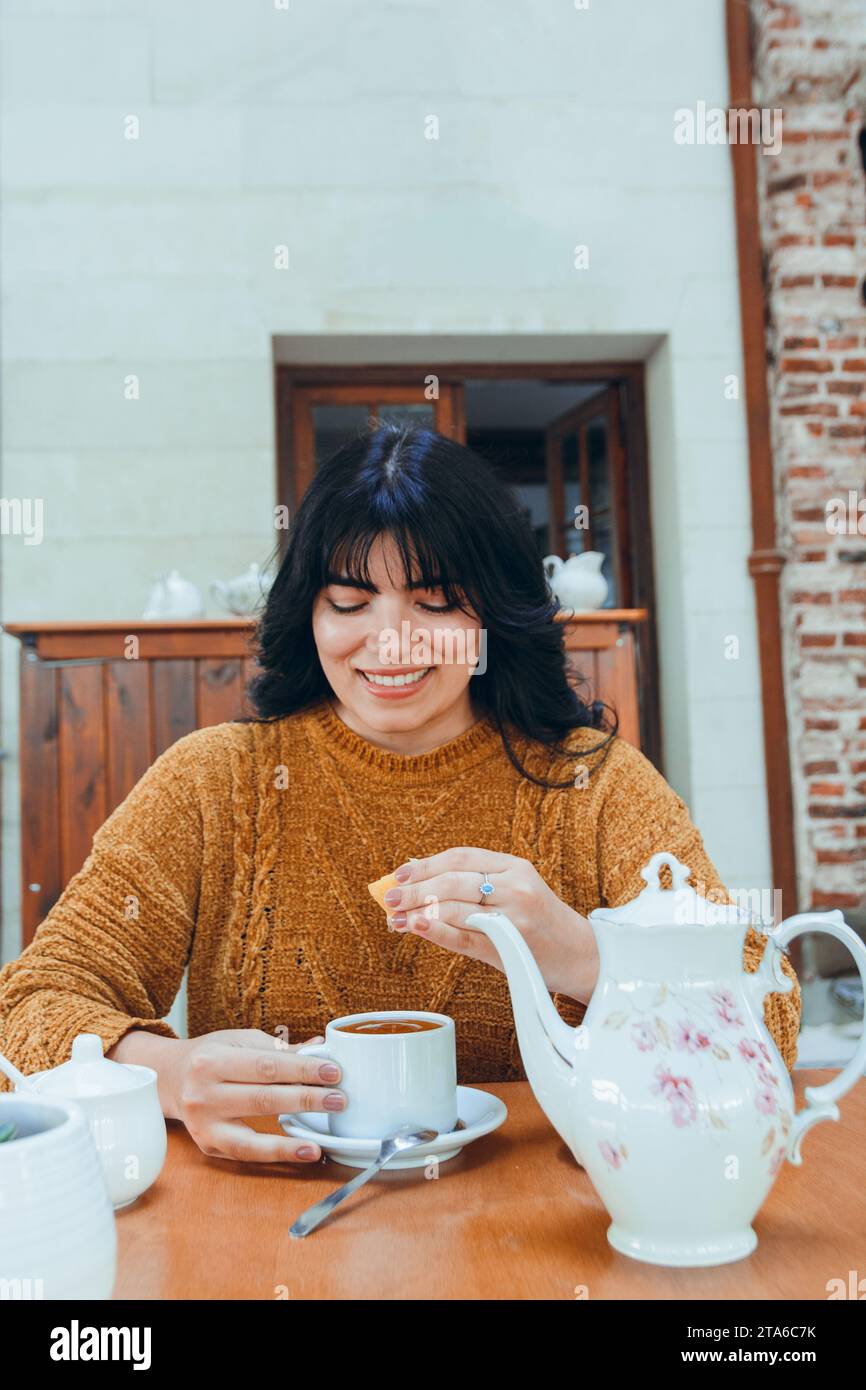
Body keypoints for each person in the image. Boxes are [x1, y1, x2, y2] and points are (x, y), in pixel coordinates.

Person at [0, 425, 801, 1165]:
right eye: (350, 603)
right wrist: (169, 1071)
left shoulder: (592, 783)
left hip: (538, 1218)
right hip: (275, 1224)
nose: (391, 641)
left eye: (436, 602)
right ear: (308, 613)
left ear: (494, 612)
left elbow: (773, 1015)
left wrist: (580, 955)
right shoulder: (214, 782)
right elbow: (35, 1002)